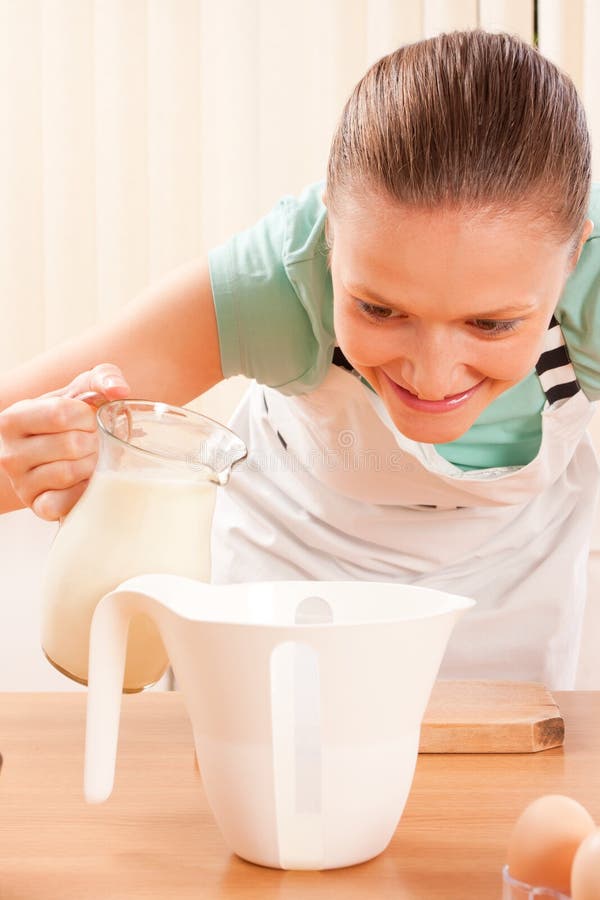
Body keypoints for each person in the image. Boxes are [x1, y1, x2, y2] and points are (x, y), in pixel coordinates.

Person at [1, 29, 599, 689]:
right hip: (282, 571)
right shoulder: (282, 280)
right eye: (380, 310)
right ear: (330, 234)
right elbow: (15, 438)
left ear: (575, 257)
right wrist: (39, 454)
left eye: (490, 324)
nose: (432, 375)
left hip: (515, 585)